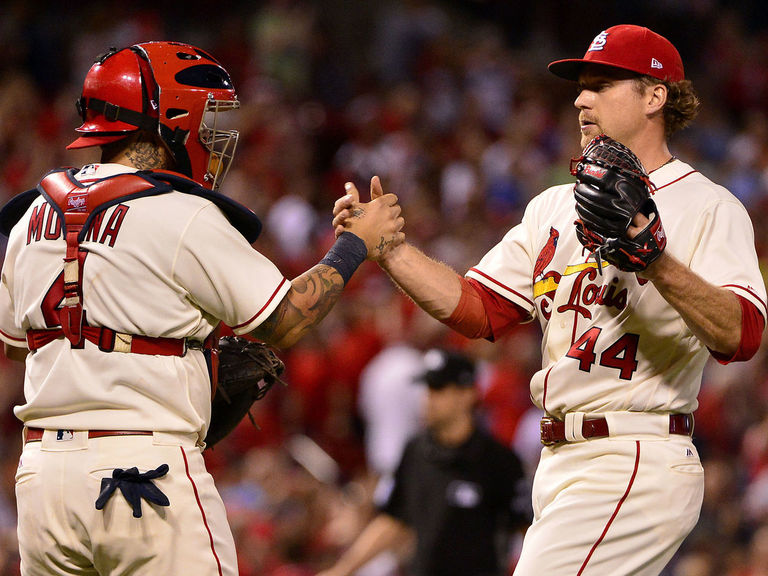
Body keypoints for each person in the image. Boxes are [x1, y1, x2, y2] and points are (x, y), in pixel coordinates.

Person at [334, 24, 767, 575]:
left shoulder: (708, 205)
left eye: (604, 83)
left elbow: (742, 334)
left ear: (656, 96)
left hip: (634, 452)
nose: (582, 99)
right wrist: (391, 251)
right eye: (581, 86)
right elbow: (477, 309)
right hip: (559, 459)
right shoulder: (554, 205)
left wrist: (653, 257)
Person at [0, 42, 403, 576]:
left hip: (42, 485)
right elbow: (287, 318)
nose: (212, 134)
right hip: (142, 476)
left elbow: (13, 343)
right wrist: (357, 244)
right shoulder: (178, 211)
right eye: (204, 114)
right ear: (168, 119)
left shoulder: (31, 216)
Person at [318, 348, 528, 576]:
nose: (428, 398)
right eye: (427, 388)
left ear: (468, 395)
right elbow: (394, 520)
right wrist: (343, 569)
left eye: (438, 389)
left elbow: (527, 530)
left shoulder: (499, 461)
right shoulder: (415, 451)